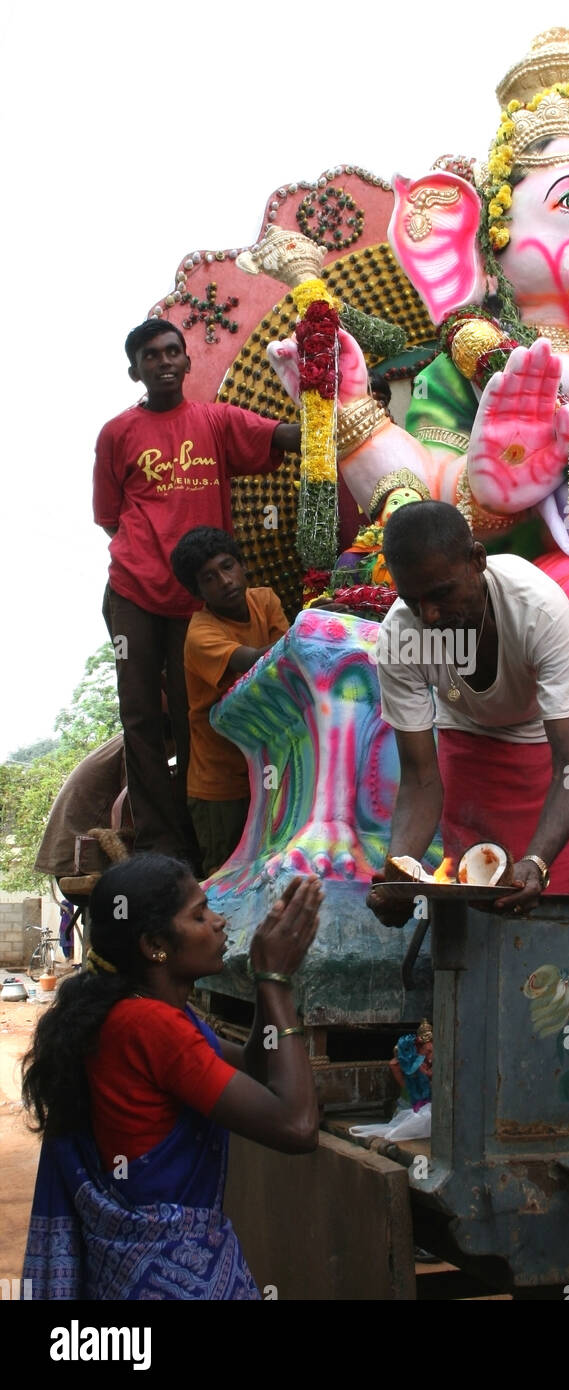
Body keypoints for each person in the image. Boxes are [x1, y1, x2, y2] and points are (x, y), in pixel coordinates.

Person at [21, 853, 321, 1299]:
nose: (219, 922)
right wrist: (276, 980)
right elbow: (297, 1127)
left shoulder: (139, 1015)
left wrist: (264, 978)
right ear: (154, 945)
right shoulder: (149, 1027)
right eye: (199, 914)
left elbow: (257, 1064)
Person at [93, 320, 300, 865]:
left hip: (194, 605)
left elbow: (281, 436)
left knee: (196, 716)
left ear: (186, 361)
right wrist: (148, 558)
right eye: (150, 356)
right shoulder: (117, 433)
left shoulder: (214, 421)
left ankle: (196, 833)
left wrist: (334, 398)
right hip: (134, 593)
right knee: (139, 716)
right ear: (134, 369)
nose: (163, 362)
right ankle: (163, 844)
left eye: (172, 352)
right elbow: (109, 517)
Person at [366, 501, 569, 923]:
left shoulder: (539, 609)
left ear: (477, 560)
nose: (429, 615)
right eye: (412, 600)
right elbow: (421, 779)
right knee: (478, 910)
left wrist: (539, 862)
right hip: (471, 741)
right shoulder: (402, 634)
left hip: (555, 754)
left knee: (563, 909)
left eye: (440, 594)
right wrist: (398, 874)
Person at [170, 527, 289, 877]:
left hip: (269, 770)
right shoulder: (200, 633)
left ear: (242, 565)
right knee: (226, 878)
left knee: (268, 871)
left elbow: (287, 666)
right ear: (198, 591)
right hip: (220, 785)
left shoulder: (264, 600)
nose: (224, 581)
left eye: (228, 566)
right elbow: (257, 659)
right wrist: (310, 626)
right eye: (209, 577)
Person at [34, 733, 126, 880]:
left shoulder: (121, 743)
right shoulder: (137, 746)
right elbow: (141, 814)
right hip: (81, 863)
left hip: (65, 858)